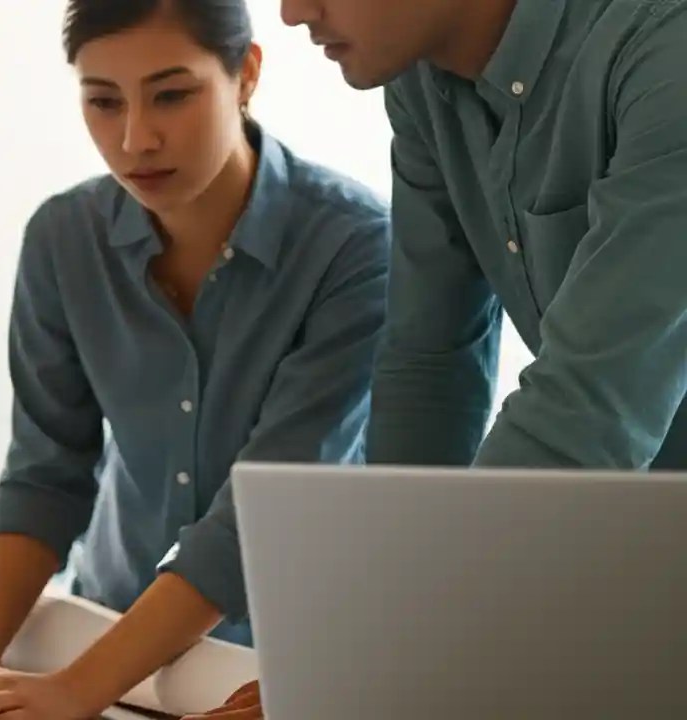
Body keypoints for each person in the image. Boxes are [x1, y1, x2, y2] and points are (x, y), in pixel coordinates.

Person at [0, 0, 392, 717]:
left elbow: (260, 515)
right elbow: (46, 474)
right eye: (103, 102)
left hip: (272, 670)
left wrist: (76, 690)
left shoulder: (355, 247)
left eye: (172, 95)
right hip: (101, 639)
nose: (135, 139)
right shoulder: (64, 239)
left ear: (246, 74)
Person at [193, 0, 687, 715]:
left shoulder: (665, 47)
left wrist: (379, 662)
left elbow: (590, 406)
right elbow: (429, 366)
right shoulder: (423, 83)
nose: (294, 12)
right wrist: (367, 652)